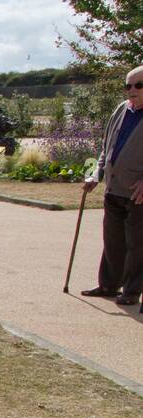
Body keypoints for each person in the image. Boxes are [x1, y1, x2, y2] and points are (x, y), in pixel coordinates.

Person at [81, 64, 143, 307]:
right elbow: (106, 148)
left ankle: (131, 290)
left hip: (137, 193)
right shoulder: (121, 110)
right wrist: (95, 174)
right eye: (128, 85)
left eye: (139, 85)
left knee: (137, 244)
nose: (132, 90)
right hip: (114, 188)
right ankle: (108, 284)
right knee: (112, 240)